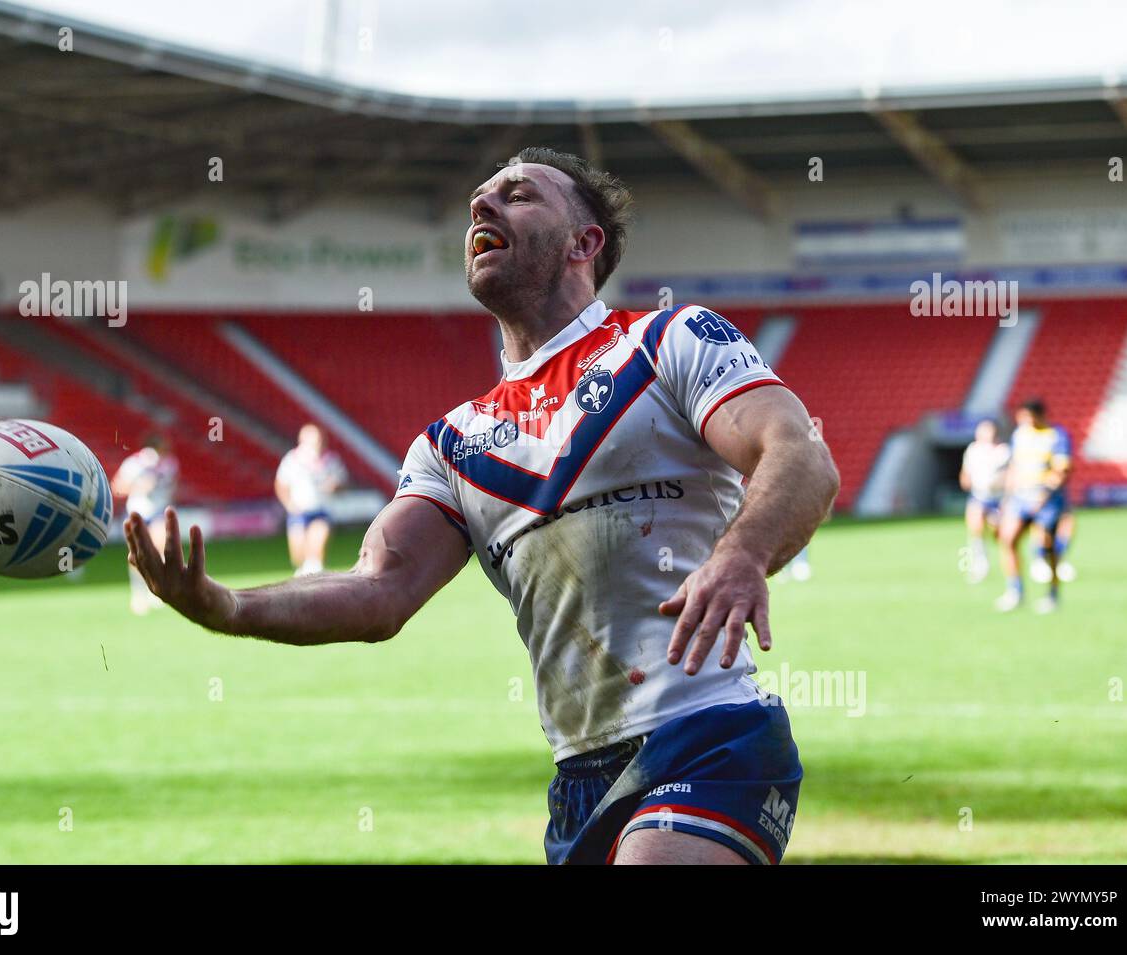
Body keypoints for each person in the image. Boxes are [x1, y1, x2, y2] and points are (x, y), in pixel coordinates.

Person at [124, 147, 839, 865]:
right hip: (579, 776)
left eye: (520, 194)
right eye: (479, 198)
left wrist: (742, 554)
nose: (483, 205)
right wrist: (231, 608)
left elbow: (801, 452)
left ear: (583, 243)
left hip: (709, 734)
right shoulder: (452, 445)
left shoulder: (665, 342)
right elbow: (379, 594)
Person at [996, 399, 1071, 614]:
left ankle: (1053, 593)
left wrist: (1044, 494)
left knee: (1047, 548)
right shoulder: (1019, 436)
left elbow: (1062, 470)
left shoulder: (1056, 435)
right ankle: (1015, 591)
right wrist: (1006, 497)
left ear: (1040, 415)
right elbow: (1014, 467)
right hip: (1020, 498)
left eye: (1028, 417)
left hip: (1047, 500)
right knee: (1008, 539)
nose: (1025, 421)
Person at [112, 434, 179, 615]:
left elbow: (172, 485)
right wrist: (139, 487)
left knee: (161, 550)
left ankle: (157, 592)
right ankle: (138, 593)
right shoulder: (133, 464)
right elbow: (117, 487)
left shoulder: (170, 464)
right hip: (137, 512)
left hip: (158, 512)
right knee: (137, 555)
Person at [275, 424, 347, 575]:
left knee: (316, 549)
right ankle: (304, 572)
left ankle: (315, 576)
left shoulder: (331, 460)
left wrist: (334, 487)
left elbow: (342, 483)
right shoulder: (292, 460)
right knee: (298, 556)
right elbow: (281, 484)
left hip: (322, 509)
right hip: (299, 510)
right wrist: (289, 504)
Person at [959, 418, 1010, 584]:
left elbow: (1009, 475)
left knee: (999, 533)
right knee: (976, 528)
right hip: (979, 496)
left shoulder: (1003, 451)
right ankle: (979, 563)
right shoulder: (973, 450)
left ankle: (1008, 563)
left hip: (998, 498)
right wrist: (966, 481)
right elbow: (965, 473)